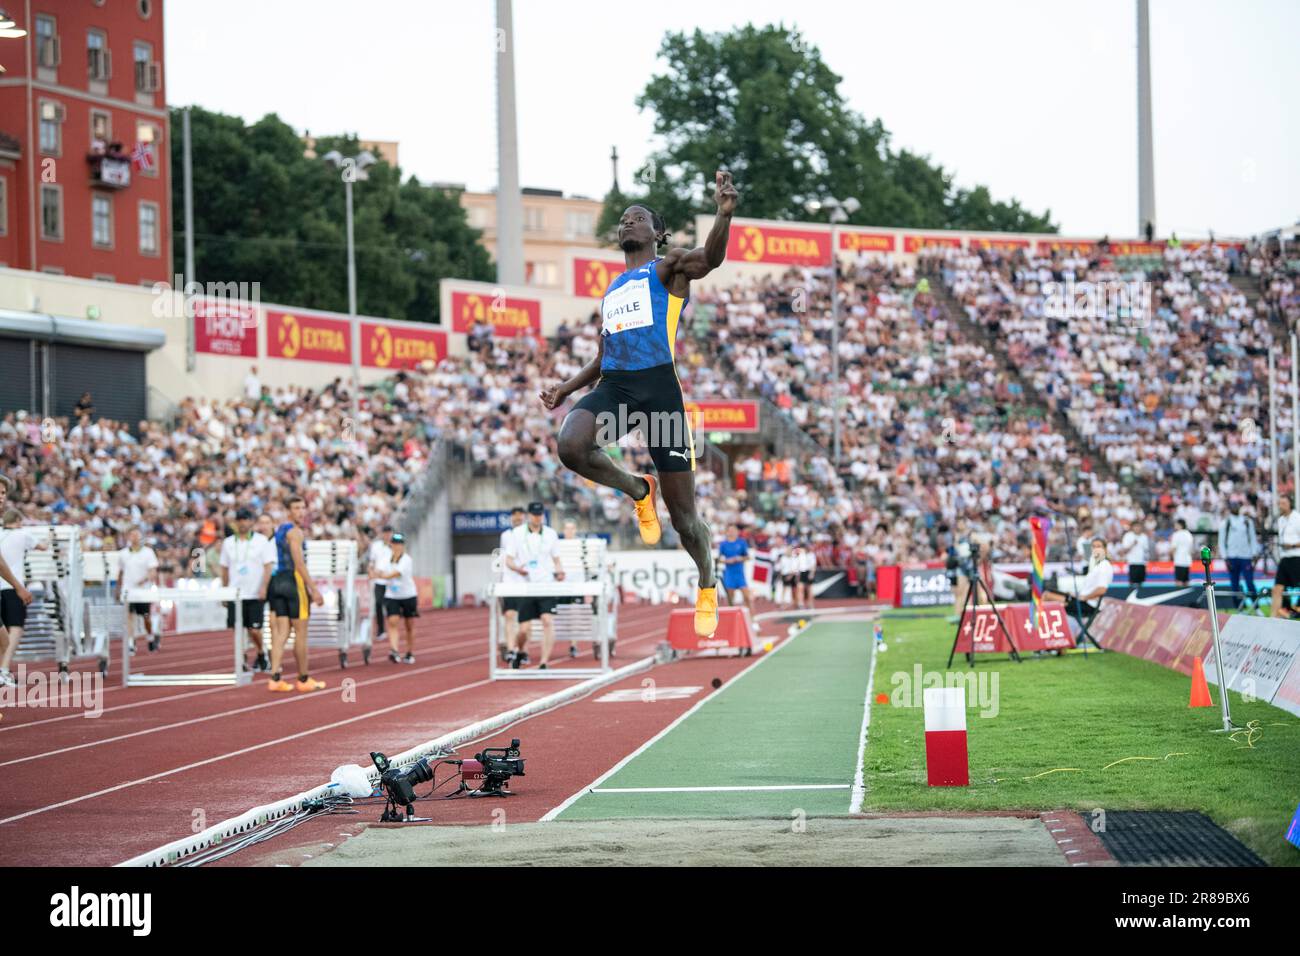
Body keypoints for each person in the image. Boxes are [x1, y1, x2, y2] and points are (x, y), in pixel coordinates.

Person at [539, 170, 740, 639]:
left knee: (686, 520)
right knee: (571, 445)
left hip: (660, 395)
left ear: (658, 233)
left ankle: (707, 583)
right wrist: (567, 388)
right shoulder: (611, 291)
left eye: (637, 219)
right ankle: (637, 490)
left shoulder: (666, 269)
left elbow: (709, 258)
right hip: (619, 389)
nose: (627, 223)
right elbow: (605, 354)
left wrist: (723, 215)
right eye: (624, 220)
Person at [266, 497, 326, 691]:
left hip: (278, 580)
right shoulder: (295, 532)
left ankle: (275, 678)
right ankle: (303, 679)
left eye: (303, 508)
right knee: (301, 632)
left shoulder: (280, 530)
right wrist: (313, 589)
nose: (301, 512)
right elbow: (299, 563)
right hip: (293, 581)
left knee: (281, 632)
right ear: (288, 511)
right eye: (296, 508)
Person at [503, 502, 565, 669]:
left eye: (540, 514)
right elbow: (508, 560)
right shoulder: (516, 534)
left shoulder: (551, 534)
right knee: (523, 629)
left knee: (547, 620)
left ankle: (544, 661)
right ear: (529, 515)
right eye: (534, 514)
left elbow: (556, 559)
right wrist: (518, 569)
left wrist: (560, 572)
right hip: (526, 585)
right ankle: (517, 649)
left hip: (546, 585)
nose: (537, 517)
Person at [219, 508, 274, 672]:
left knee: (255, 629)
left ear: (251, 522)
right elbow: (224, 568)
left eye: (246, 519)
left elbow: (268, 566)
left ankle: (260, 652)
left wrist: (264, 587)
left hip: (255, 592)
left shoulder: (261, 541)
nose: (243, 523)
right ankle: (241, 659)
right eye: (240, 520)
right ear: (236, 523)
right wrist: (224, 591)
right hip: (235, 593)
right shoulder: (228, 543)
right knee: (238, 629)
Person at [0, 509, 41, 687]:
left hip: (2, 586)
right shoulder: (23, 534)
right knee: (14, 630)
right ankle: (4, 670)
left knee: (3, 635)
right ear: (17, 520)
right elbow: (43, 546)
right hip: (13, 586)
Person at [1042, 537, 1115, 622]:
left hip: (1088, 605)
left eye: (1099, 546)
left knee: (1047, 596)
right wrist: (1077, 595)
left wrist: (1085, 597)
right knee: (1048, 593)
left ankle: (1040, 627)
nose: (1095, 549)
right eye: (1093, 546)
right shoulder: (1096, 566)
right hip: (1082, 600)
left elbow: (1102, 590)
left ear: (1105, 550)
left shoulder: (1104, 566)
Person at [116, 528, 160, 653]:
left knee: (146, 616)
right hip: (128, 590)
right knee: (129, 616)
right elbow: (120, 572)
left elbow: (153, 571)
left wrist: (146, 579)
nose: (134, 537)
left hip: (143, 591)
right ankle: (131, 642)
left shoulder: (148, 552)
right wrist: (118, 589)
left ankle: (150, 636)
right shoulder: (123, 553)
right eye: (132, 535)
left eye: (136, 535)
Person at [377, 532, 418, 664]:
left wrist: (382, 576)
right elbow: (378, 570)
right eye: (395, 543)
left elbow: (395, 574)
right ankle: (394, 650)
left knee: (409, 625)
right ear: (391, 544)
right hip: (392, 595)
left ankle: (409, 652)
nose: (397, 546)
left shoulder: (406, 559)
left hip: (408, 595)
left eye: (400, 544)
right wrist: (378, 574)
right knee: (393, 621)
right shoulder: (385, 558)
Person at [497, 506, 526, 662]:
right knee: (509, 615)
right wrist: (499, 582)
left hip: (525, 582)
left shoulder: (529, 535)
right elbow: (501, 559)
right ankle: (510, 649)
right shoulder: (505, 536)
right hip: (508, 582)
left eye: (520, 517)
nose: (517, 519)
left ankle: (522, 649)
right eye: (515, 517)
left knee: (524, 620)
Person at [1219, 501, 1259, 612]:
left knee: (1250, 583)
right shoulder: (1225, 523)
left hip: (1246, 557)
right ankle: (1239, 608)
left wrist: (1254, 554)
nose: (1235, 508)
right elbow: (1221, 542)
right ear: (1229, 508)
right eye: (1233, 506)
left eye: (1237, 505)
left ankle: (1256, 607)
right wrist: (1225, 558)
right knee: (1234, 585)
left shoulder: (1247, 522)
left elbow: (1253, 538)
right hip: (1231, 557)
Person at [1271, 494, 1300, 619]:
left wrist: (1292, 546)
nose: (1281, 506)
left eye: (1283, 503)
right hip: (1284, 558)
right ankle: (1272, 619)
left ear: (1290, 504)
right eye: (1280, 503)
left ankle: (1294, 609)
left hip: (1296, 557)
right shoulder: (1280, 520)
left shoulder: (1297, 518)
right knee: (1277, 589)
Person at [368, 526, 393, 644]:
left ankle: (392, 628)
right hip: (379, 580)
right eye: (386, 533)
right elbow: (371, 561)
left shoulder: (395, 546)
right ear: (382, 533)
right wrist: (370, 571)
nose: (387, 535)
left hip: (391, 581)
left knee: (391, 606)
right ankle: (381, 630)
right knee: (378, 604)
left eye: (389, 533)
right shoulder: (376, 546)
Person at [718, 524, 751, 614]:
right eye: (730, 531)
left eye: (733, 530)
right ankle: (731, 617)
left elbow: (748, 557)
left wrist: (740, 558)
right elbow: (719, 559)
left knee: (747, 597)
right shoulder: (723, 544)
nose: (732, 532)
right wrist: (727, 561)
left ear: (737, 532)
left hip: (740, 574)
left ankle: (752, 619)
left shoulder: (742, 542)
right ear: (727, 532)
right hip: (729, 574)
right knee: (730, 598)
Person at [1120, 518, 1149, 585]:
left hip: (1142, 563)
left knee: (1141, 583)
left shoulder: (1144, 536)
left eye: (1139, 526)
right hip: (1132, 562)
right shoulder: (1128, 536)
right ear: (1132, 527)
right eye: (1135, 526)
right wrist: (1132, 544)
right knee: (1132, 582)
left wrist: (1146, 561)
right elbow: (1124, 550)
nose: (1137, 528)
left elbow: (1146, 550)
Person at [1170, 518, 1195, 586]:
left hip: (1179, 561)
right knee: (1186, 581)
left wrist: (1171, 556)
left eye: (1176, 524)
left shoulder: (1176, 534)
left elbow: (1173, 548)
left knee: (1179, 582)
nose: (1174, 526)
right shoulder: (1189, 534)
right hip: (1187, 561)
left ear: (1180, 525)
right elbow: (1191, 549)